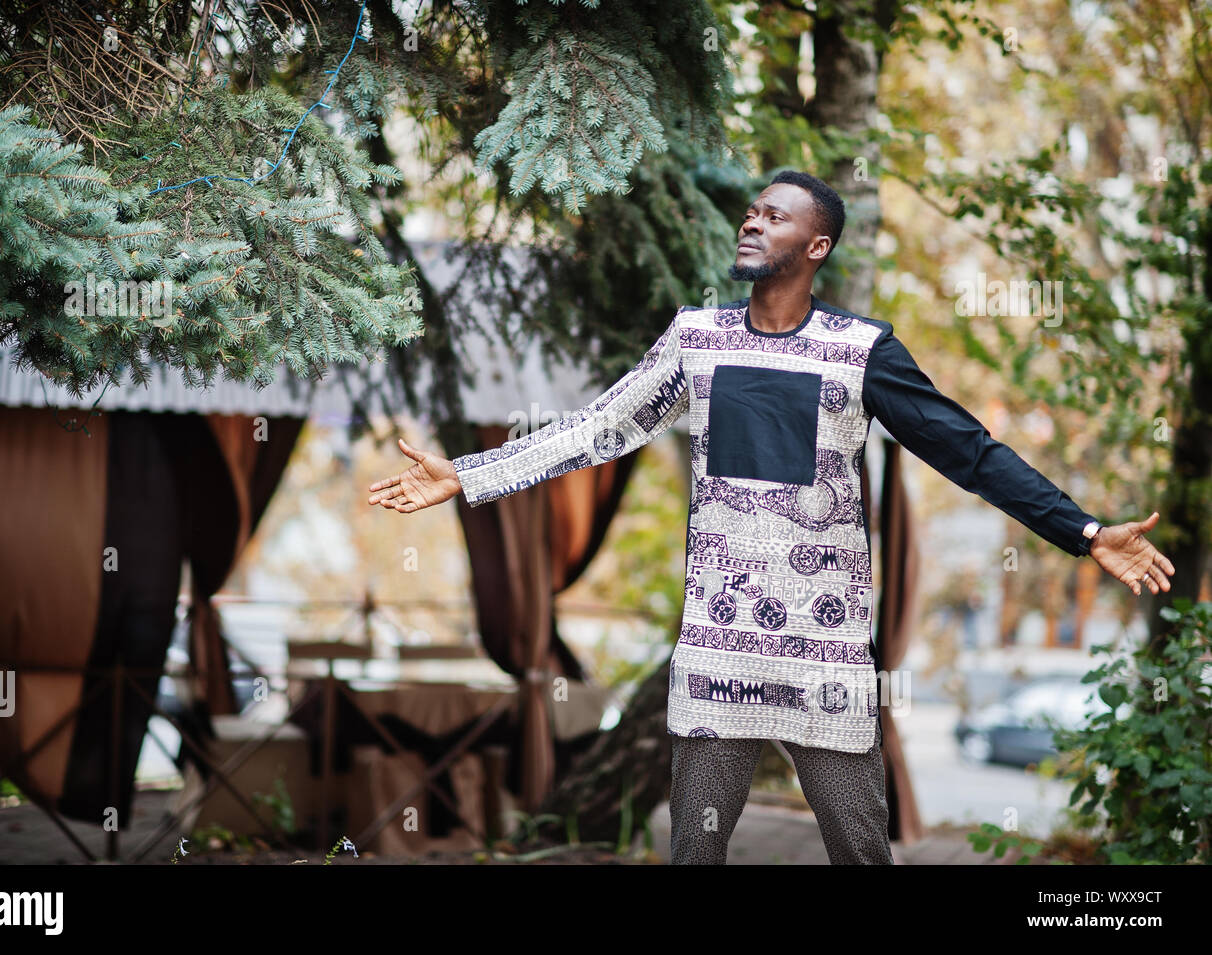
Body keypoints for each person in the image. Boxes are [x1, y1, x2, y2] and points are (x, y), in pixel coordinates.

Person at [366, 170, 1176, 865]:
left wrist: (1083, 530)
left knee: (862, 851)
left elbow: (968, 449)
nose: (752, 220)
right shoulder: (698, 337)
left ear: (817, 246)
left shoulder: (860, 350)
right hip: (716, 657)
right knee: (695, 852)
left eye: (775, 214)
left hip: (823, 660)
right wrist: (468, 476)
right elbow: (596, 429)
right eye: (750, 210)